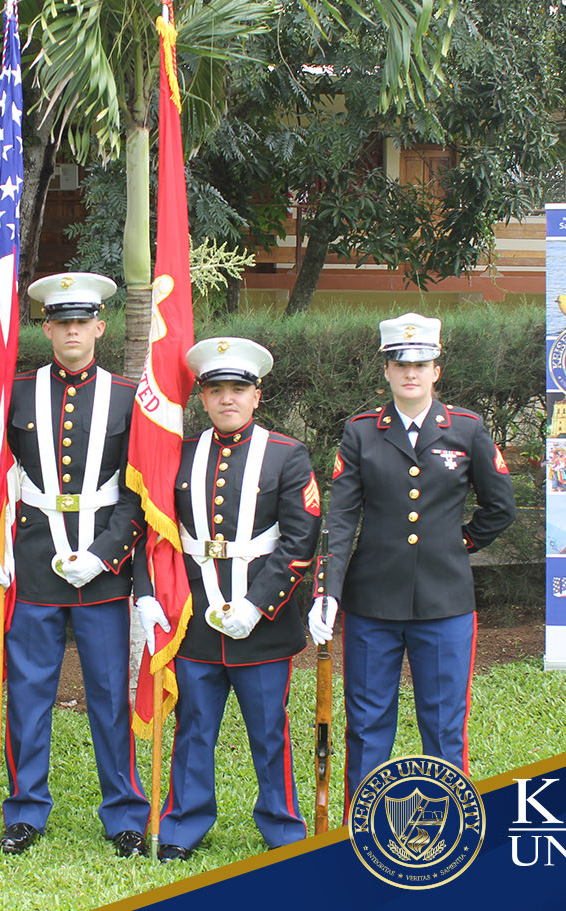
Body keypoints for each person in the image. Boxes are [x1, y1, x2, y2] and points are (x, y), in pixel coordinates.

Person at [0, 272, 150, 857]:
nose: (73, 331)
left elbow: (140, 492)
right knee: (27, 694)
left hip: (103, 570)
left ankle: (124, 813)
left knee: (110, 696)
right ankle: (25, 811)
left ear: (100, 327)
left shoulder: (128, 397)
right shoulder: (14, 392)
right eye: (61, 322)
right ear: (46, 329)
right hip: (32, 565)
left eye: (82, 321)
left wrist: (103, 555)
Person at [310, 313, 516, 821]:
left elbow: (500, 507)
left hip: (445, 604)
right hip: (372, 603)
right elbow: (342, 517)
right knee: (367, 724)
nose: (410, 373)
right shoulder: (361, 433)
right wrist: (327, 591)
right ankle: (363, 825)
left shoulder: (466, 429)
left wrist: (458, 543)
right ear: (386, 370)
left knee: (444, 725)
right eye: (401, 364)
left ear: (435, 371)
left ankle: (444, 825)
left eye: (420, 364)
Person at [136, 337, 320, 861]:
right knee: (193, 730)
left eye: (238, 389)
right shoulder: (179, 453)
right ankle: (183, 825)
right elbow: (156, 530)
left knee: (269, 733)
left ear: (257, 395)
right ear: (202, 398)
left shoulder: (286, 454)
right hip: (194, 620)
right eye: (216, 390)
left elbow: (300, 541)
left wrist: (258, 604)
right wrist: (147, 593)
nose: (227, 399)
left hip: (263, 624)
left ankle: (282, 829)